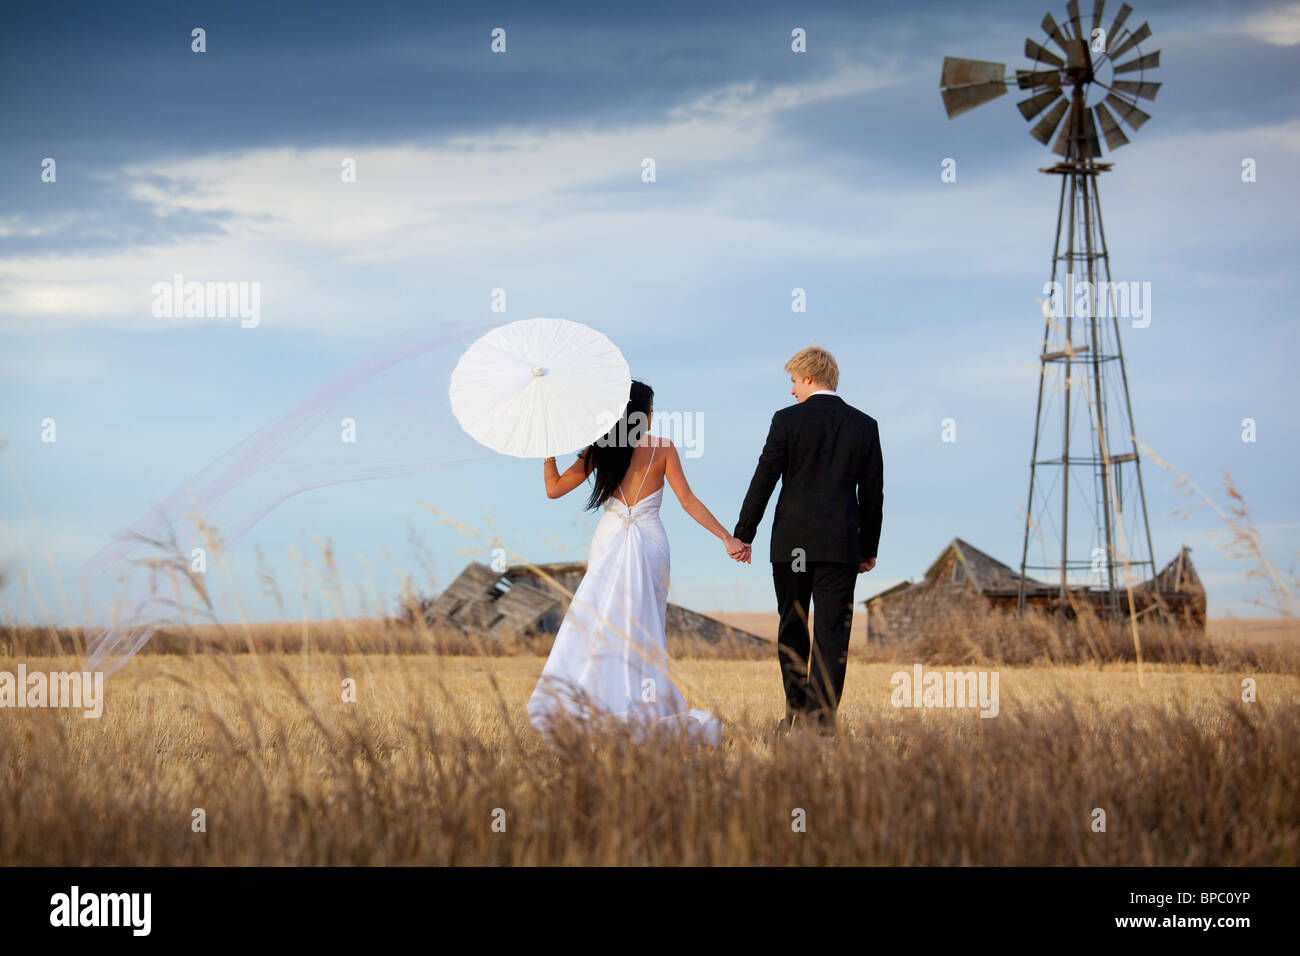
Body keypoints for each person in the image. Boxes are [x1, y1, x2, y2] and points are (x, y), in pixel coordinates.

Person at [527, 380, 744, 743]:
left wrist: (548, 454)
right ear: (645, 414)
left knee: (601, 617)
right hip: (651, 542)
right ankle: (644, 701)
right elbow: (688, 500)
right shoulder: (663, 448)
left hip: (611, 537)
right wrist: (726, 537)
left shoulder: (598, 449)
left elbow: (553, 490)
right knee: (645, 623)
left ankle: (597, 695)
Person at [732, 345, 884, 736]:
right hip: (840, 548)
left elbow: (763, 479)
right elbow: (872, 494)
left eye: (794, 381)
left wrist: (743, 534)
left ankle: (796, 716)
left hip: (791, 546)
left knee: (793, 628)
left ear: (809, 377)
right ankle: (821, 725)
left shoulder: (786, 421)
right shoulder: (864, 425)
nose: (792, 390)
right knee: (833, 634)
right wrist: (868, 547)